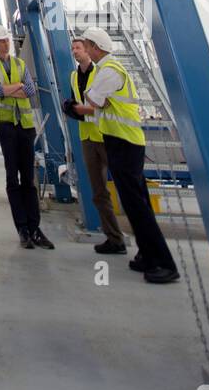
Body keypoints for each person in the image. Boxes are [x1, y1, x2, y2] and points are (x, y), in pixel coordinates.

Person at [71, 29, 179, 284]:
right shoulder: (112, 69)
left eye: (86, 46)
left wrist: (78, 107)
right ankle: (146, 253)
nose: (84, 49)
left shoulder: (108, 71)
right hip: (121, 141)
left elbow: (93, 99)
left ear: (95, 47)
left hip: (124, 143)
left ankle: (164, 262)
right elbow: (101, 106)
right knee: (135, 203)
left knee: (137, 206)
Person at [0, 24, 54, 250]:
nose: (5, 43)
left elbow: (31, 91)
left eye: (6, 40)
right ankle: (22, 228)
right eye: (1, 41)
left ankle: (35, 228)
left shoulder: (19, 63)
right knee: (12, 179)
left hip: (25, 127)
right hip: (6, 127)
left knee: (29, 180)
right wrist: (19, 86)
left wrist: (12, 88)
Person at [63, 36, 126, 255]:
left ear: (90, 50)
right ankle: (114, 238)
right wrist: (71, 108)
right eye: (73, 49)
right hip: (87, 137)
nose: (75, 51)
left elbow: (103, 105)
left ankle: (140, 238)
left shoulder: (102, 73)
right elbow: (77, 103)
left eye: (79, 48)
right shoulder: (73, 76)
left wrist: (80, 110)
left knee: (125, 189)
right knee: (98, 191)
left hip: (107, 134)